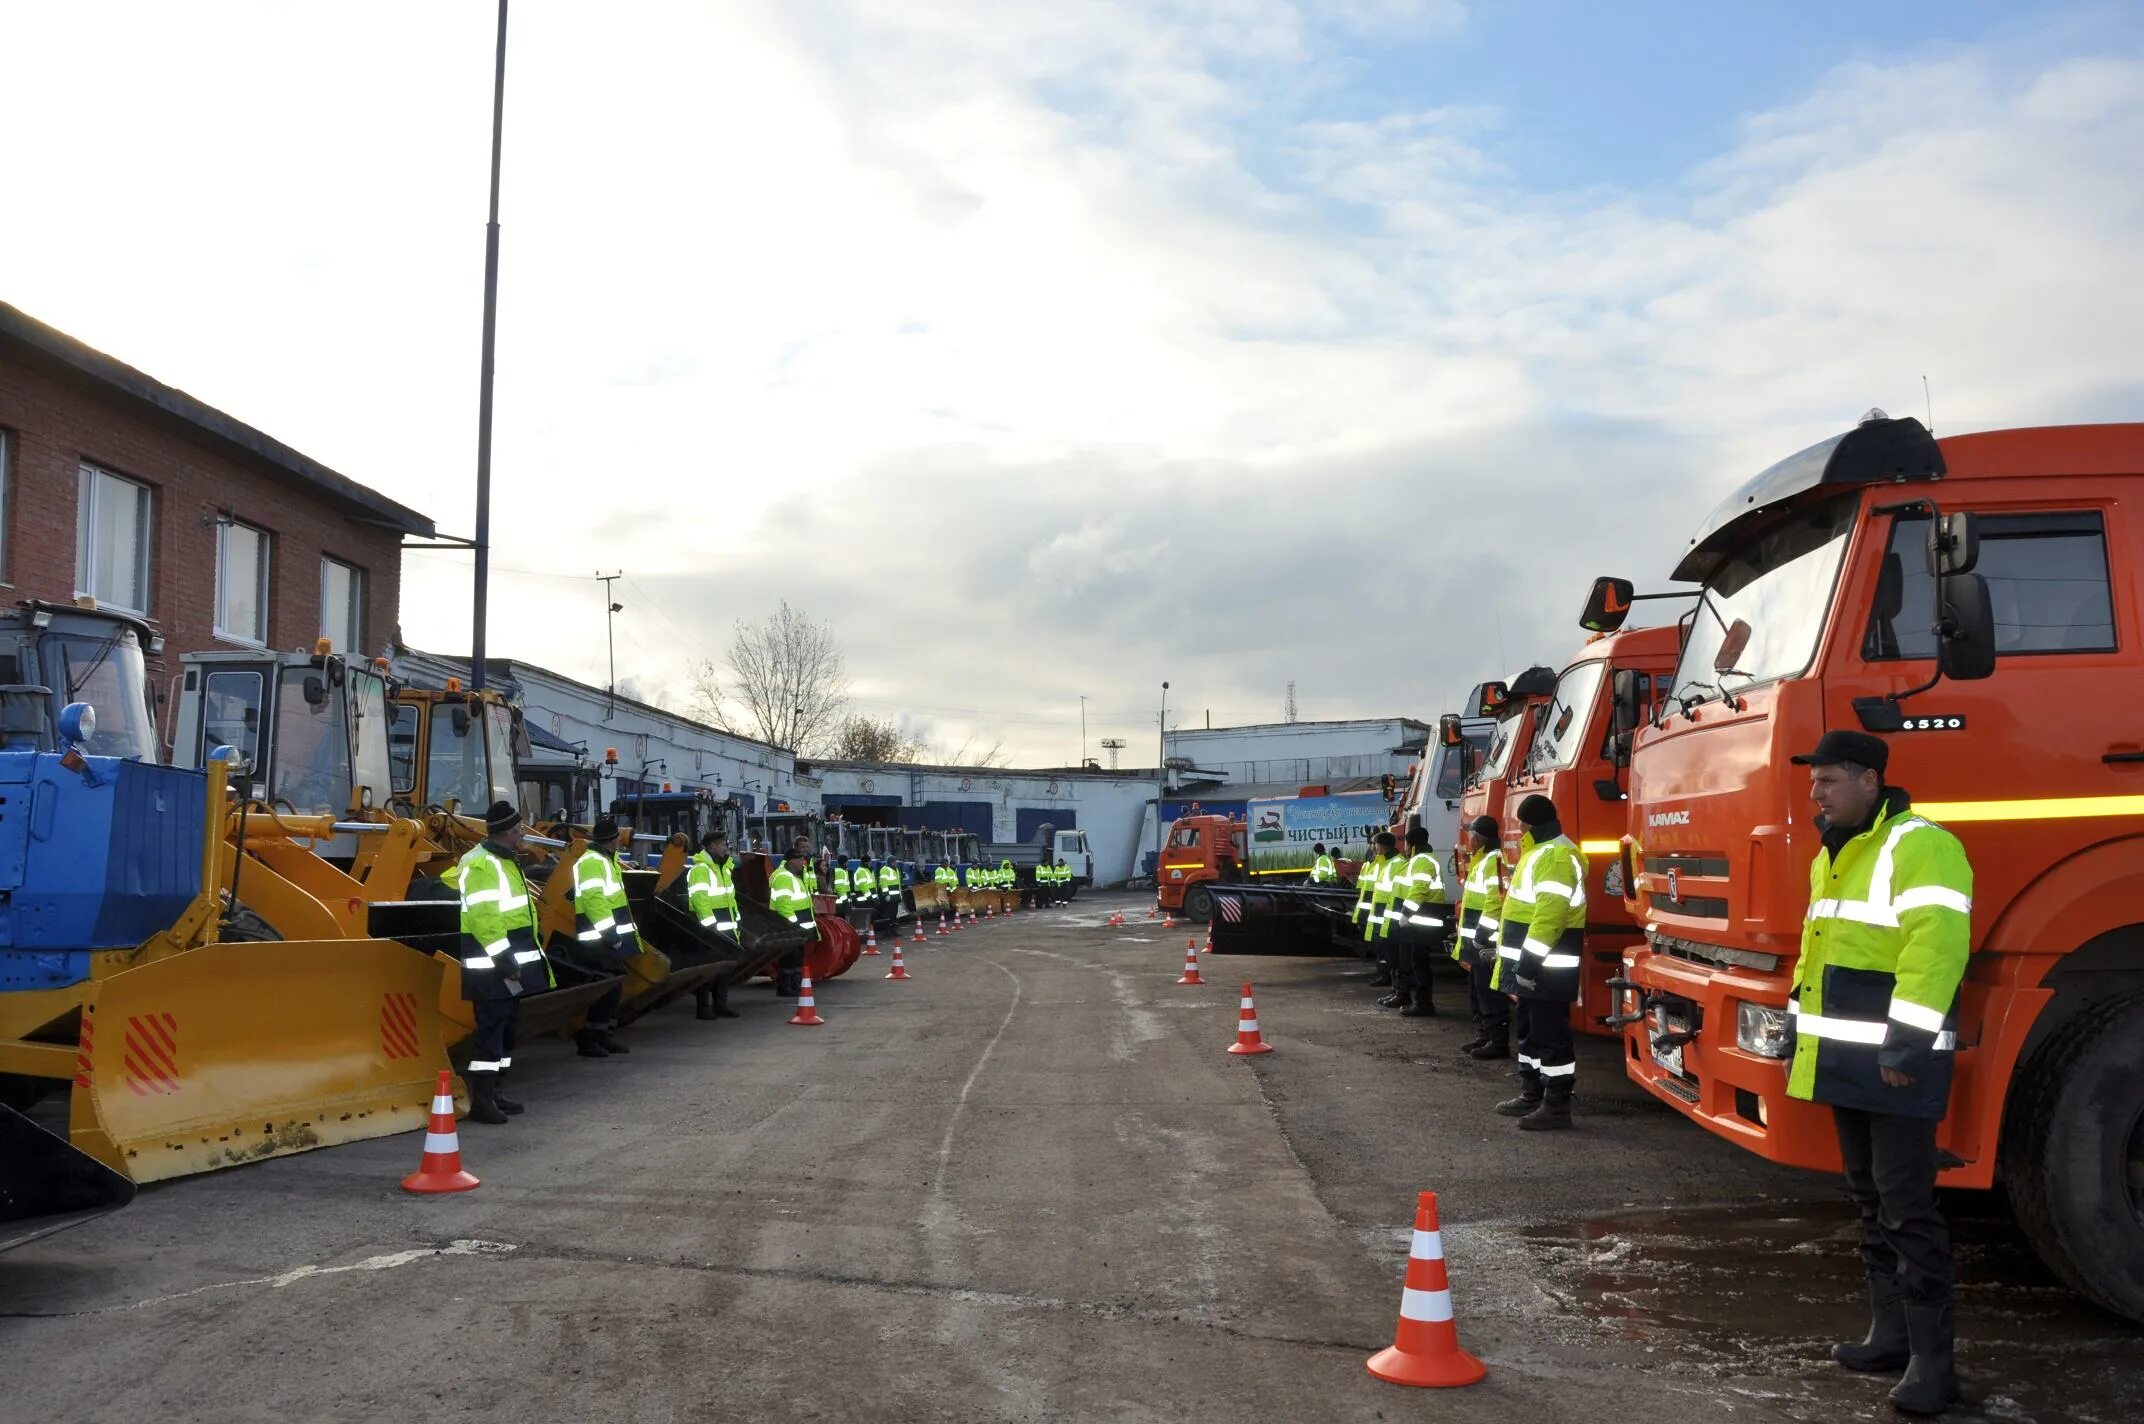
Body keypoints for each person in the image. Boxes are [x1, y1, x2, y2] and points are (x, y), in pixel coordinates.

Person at [1788, 731, 1970, 1416]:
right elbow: (1818, 950)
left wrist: (1906, 1045)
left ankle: (1933, 1364)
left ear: (1870, 781)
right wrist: (1795, 1027)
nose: (1817, 792)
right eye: (1814, 782)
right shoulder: (1833, 853)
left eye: (1829, 780)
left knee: (1907, 1208)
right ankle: (1889, 1337)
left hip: (1897, 1065)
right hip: (1846, 1059)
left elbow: (1938, 948)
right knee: (1869, 1200)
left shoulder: (1920, 844)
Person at [1494, 794, 1586, 1130]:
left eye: (1520, 823)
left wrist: (1530, 963)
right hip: (1534, 968)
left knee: (1551, 1035)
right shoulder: (1541, 852)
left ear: (1528, 823)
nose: (1518, 829)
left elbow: (1550, 918)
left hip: (1546, 968)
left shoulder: (1557, 856)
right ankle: (1532, 1092)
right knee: (1531, 1031)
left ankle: (1557, 1105)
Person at [455, 801, 545, 1123]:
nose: (522, 833)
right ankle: (482, 1100)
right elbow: (485, 920)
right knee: (490, 1033)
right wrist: (506, 961)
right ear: (507, 831)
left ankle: (496, 1092)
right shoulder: (483, 864)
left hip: (504, 967)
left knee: (505, 1031)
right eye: (519, 828)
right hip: (492, 967)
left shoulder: (504, 860)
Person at [566, 817, 637, 1059]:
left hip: (606, 937)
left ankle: (604, 1036)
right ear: (613, 839)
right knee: (604, 989)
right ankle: (590, 1040)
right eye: (618, 838)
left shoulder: (605, 861)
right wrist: (609, 933)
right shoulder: (593, 862)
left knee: (613, 988)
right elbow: (594, 900)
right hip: (599, 938)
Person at [1454, 816, 1511, 1059]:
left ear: (1478, 837)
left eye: (1471, 836)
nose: (1469, 841)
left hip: (1484, 942)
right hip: (1475, 942)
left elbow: (1494, 902)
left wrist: (1481, 935)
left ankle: (1497, 1041)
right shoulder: (1481, 861)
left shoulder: (1491, 861)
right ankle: (1485, 1035)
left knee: (1489, 993)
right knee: (1478, 992)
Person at [685, 827, 741, 1020]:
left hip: (726, 924)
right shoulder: (701, 869)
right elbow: (701, 900)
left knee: (724, 968)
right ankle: (704, 1007)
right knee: (707, 969)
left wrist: (736, 923)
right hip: (710, 927)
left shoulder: (722, 867)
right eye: (722, 844)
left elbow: (730, 899)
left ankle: (720, 1005)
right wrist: (710, 927)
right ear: (711, 846)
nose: (726, 848)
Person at [1393, 824, 1449, 1018]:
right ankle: (1420, 1002)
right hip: (1420, 921)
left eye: (1407, 844)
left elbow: (1419, 889)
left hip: (1421, 922)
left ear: (1413, 845)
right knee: (1416, 963)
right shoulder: (1422, 859)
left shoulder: (1422, 861)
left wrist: (1406, 913)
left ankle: (1424, 1004)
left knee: (1419, 964)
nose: (1405, 848)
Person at [767, 838, 818, 996]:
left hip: (798, 926)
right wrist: (793, 925)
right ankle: (786, 987)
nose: (802, 863)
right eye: (799, 860)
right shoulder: (784, 877)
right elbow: (784, 904)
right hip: (790, 926)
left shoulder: (793, 876)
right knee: (789, 958)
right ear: (790, 861)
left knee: (796, 957)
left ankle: (795, 984)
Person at [1352, 837, 1389, 982]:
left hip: (1379, 912)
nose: (1373, 846)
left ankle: (1385, 975)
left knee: (1383, 946)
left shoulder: (1382, 864)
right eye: (1372, 844)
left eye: (1375, 844)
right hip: (1370, 912)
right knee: (1378, 946)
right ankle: (1383, 973)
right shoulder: (1371, 864)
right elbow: (1363, 890)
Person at [878, 855, 903, 923]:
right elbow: (883, 883)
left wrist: (900, 895)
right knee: (888, 913)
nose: (896, 863)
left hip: (896, 896)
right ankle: (887, 930)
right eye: (894, 861)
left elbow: (898, 884)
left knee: (894, 913)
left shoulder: (896, 870)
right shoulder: (884, 869)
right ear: (891, 862)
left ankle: (893, 927)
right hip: (890, 896)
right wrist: (886, 894)